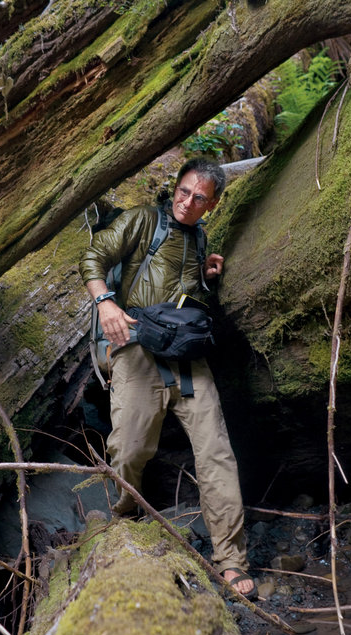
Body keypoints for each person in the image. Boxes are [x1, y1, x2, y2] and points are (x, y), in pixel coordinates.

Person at [79, 158, 255, 598]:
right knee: (129, 448)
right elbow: (93, 256)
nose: (187, 202)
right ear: (175, 187)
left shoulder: (198, 237)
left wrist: (206, 275)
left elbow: (180, 291)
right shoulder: (143, 220)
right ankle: (125, 522)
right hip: (138, 349)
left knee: (217, 454)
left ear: (212, 204)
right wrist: (105, 303)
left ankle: (231, 561)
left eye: (199, 198)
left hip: (188, 359)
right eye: (183, 191)